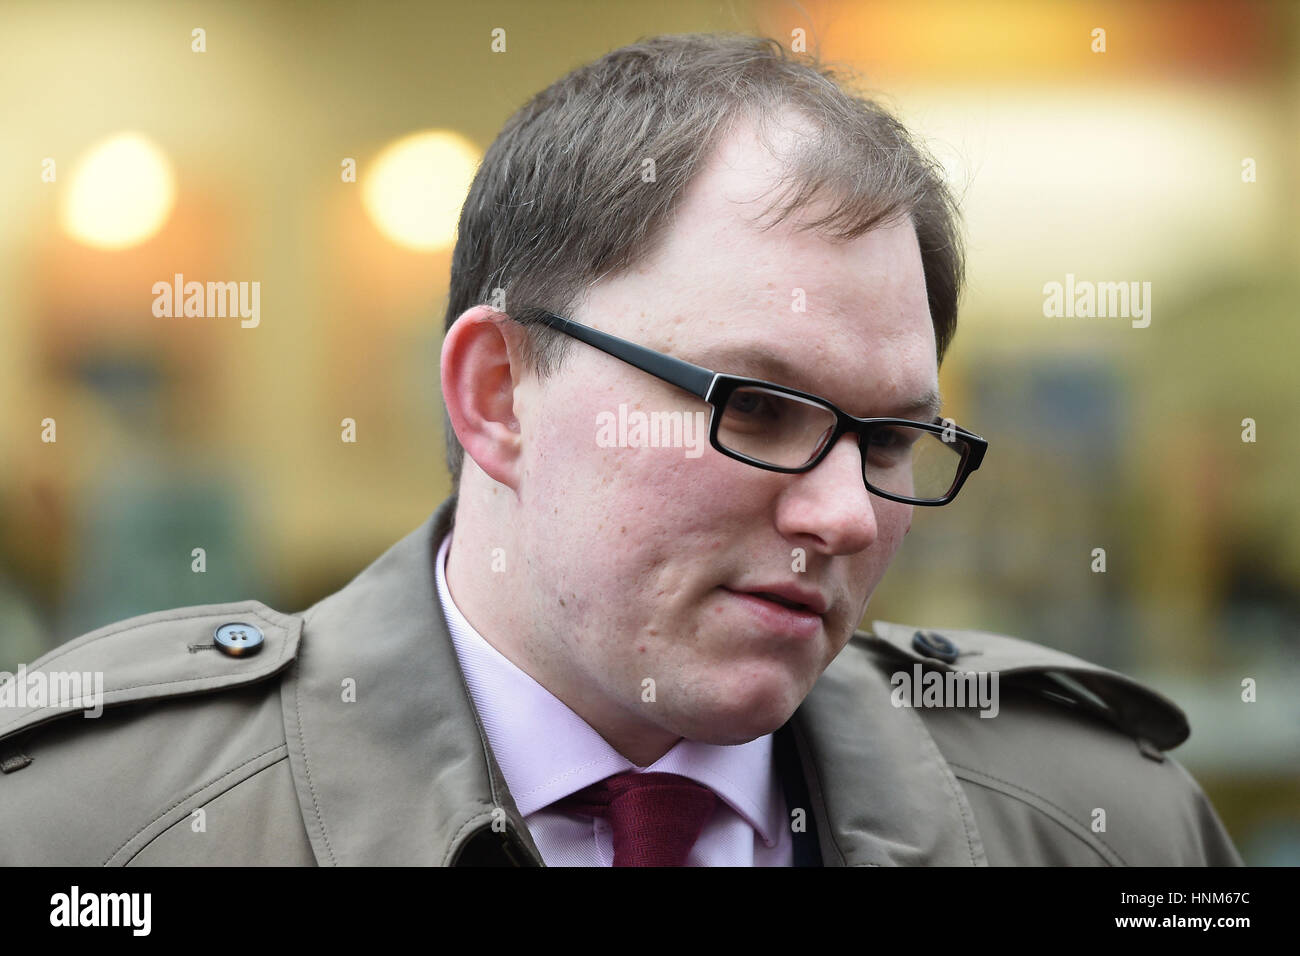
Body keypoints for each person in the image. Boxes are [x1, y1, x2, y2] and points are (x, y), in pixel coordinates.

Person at [0, 33, 1241, 866]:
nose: (847, 515)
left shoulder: (1100, 827)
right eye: (757, 407)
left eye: (889, 436)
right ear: (499, 395)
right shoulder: (102, 829)